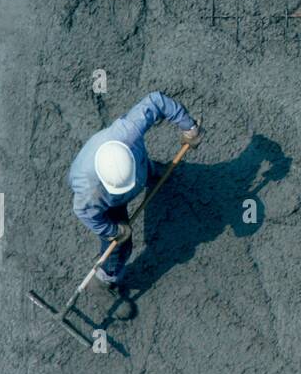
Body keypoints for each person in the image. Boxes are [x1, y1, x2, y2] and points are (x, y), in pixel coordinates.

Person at [68, 92, 202, 312]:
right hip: (110, 203)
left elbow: (156, 101)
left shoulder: (128, 132)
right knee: (122, 245)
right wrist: (114, 231)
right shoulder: (89, 192)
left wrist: (189, 128)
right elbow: (84, 214)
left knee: (147, 168)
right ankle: (102, 280)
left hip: (138, 165)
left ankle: (149, 172)